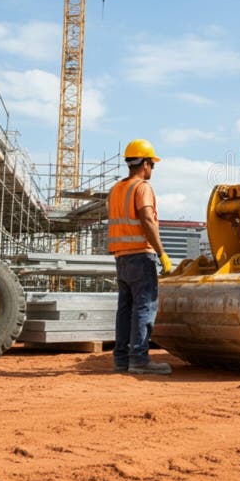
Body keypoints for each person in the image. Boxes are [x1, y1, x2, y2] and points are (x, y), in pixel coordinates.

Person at [108, 139, 174, 375]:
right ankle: (139, 360)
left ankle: (121, 359)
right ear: (145, 163)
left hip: (121, 258)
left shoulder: (116, 189)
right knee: (144, 307)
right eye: (152, 164)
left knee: (125, 310)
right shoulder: (142, 187)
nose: (152, 169)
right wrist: (162, 253)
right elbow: (146, 219)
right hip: (140, 256)